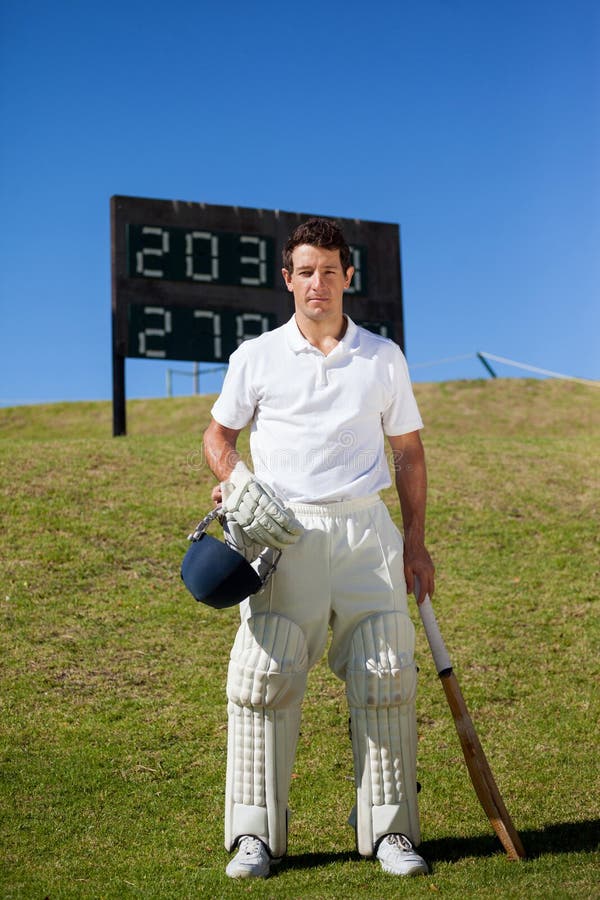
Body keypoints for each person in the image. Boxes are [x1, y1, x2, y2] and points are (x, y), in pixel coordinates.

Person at [203, 217, 435, 879]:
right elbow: (217, 439)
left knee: (385, 672)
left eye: (330, 271)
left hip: (366, 530)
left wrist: (415, 542)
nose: (318, 283)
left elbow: (409, 452)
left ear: (347, 278)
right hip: (285, 535)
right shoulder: (256, 357)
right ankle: (255, 839)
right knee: (265, 677)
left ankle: (391, 833)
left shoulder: (382, 357)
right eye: (306, 271)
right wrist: (236, 480)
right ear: (288, 279)